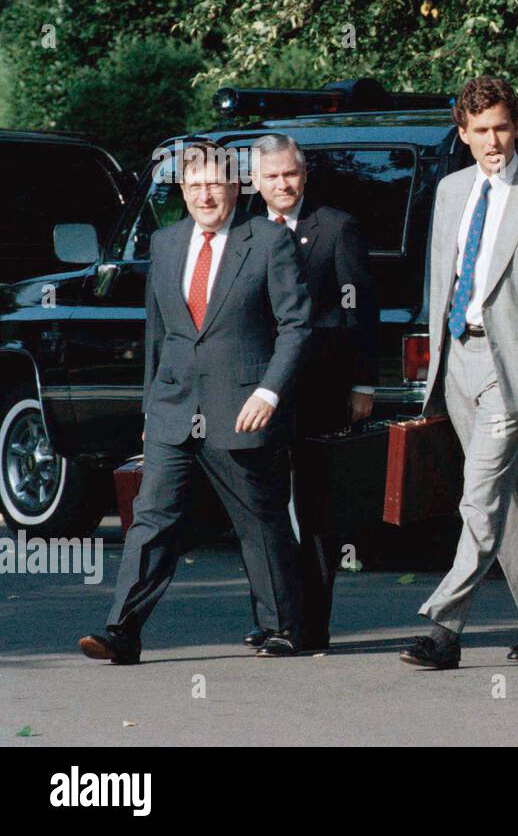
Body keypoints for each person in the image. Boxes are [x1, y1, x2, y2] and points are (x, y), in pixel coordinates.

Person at [80, 139, 312, 663]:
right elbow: (158, 334)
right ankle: (122, 631)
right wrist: (149, 410)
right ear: (181, 190)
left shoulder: (267, 240)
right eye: (195, 185)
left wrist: (269, 392)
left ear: (236, 186)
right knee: (152, 517)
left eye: (215, 183)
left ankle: (282, 627)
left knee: (258, 518)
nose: (205, 195)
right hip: (173, 408)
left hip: (243, 405)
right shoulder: (165, 244)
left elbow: (297, 327)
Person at [400, 76, 518, 670]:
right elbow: (441, 279)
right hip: (458, 358)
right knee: (503, 495)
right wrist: (435, 358)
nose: (493, 140)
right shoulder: (451, 190)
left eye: (502, 127)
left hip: (515, 368)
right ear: (463, 134)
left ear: (517, 127)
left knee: (478, 500)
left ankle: (444, 627)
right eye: (480, 130)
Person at [245, 133, 379, 653]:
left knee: (317, 510)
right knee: (262, 509)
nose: (282, 184)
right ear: (255, 180)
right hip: (256, 390)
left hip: (321, 390)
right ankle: (275, 617)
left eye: (290, 174)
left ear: (304, 176)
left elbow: (361, 311)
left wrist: (363, 383)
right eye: (272, 175)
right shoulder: (245, 231)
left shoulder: (337, 228)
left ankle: (310, 626)